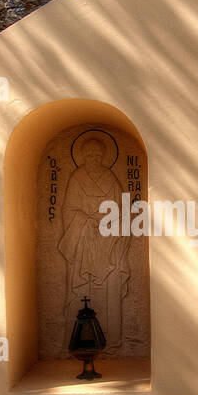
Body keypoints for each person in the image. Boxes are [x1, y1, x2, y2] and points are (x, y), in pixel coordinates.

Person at [58, 138, 130, 349]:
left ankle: (113, 340)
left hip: (108, 238)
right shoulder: (77, 177)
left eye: (98, 155)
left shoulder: (110, 178)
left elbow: (122, 209)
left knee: (114, 275)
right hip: (83, 239)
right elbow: (68, 210)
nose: (94, 159)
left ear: (103, 157)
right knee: (84, 290)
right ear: (83, 156)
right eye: (89, 155)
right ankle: (78, 343)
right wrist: (87, 221)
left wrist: (108, 221)